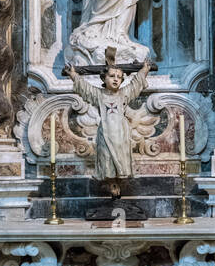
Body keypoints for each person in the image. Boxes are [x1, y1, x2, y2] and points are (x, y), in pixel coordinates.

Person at [63, 48, 152, 184]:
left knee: (121, 157)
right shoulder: (99, 94)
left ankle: (120, 178)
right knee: (106, 157)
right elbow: (85, 88)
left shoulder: (124, 93)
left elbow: (135, 85)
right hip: (105, 133)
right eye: (112, 76)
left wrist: (144, 71)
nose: (116, 79)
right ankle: (111, 182)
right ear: (104, 78)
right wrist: (74, 75)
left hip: (121, 133)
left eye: (119, 77)